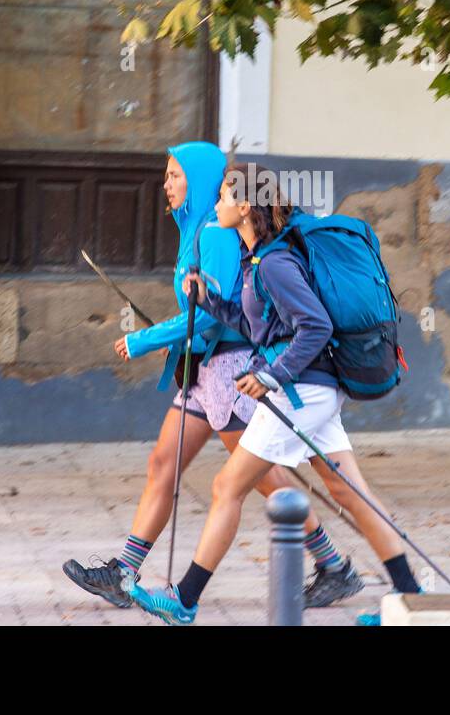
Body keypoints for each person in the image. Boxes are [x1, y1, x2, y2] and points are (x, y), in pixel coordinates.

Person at [63, 143, 364, 610]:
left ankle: (332, 567)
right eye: (167, 174)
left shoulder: (217, 232)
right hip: (206, 373)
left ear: (200, 180)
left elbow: (213, 315)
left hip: (231, 370)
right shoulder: (197, 229)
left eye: (175, 175)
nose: (167, 183)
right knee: (164, 463)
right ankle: (123, 572)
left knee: (257, 479)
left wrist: (145, 340)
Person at [127, 162, 424, 625]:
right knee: (349, 492)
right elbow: (257, 326)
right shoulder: (257, 258)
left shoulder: (277, 263)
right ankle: (410, 599)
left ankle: (184, 600)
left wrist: (270, 377)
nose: (217, 207)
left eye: (225, 199)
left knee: (228, 485)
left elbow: (315, 327)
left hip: (300, 391)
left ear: (244, 207)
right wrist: (209, 299)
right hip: (313, 390)